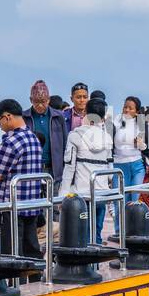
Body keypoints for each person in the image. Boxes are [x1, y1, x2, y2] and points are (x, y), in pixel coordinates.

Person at [0, 99, 44, 260]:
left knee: (10, 250)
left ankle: (14, 282)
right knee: (31, 248)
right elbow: (19, 162)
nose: (0, 127)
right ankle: (34, 280)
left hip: (10, 206)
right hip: (31, 203)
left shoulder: (10, 141)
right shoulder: (33, 138)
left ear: (7, 117)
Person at [60, 97, 113, 242]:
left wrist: (63, 195)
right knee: (96, 233)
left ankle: (85, 264)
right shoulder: (107, 138)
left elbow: (69, 168)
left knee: (80, 234)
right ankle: (96, 264)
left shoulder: (75, 136)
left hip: (81, 194)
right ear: (102, 117)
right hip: (101, 193)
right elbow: (110, 171)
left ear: (86, 114)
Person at [24, 80, 69, 183]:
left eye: (43, 102)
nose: (40, 105)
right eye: (36, 102)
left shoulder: (58, 116)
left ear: (48, 100)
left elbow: (65, 143)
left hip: (54, 169)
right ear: (31, 100)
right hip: (32, 168)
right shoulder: (24, 117)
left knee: (54, 198)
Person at [113, 95, 147, 205]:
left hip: (137, 165)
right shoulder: (116, 122)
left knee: (136, 200)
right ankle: (119, 223)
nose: (127, 110)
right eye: (125, 107)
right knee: (120, 201)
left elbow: (146, 148)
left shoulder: (141, 124)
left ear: (136, 112)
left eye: (130, 108)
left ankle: (136, 222)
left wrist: (140, 144)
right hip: (119, 165)